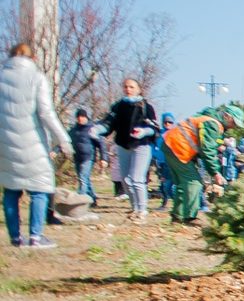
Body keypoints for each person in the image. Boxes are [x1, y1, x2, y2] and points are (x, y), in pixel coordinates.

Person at [0, 42, 71, 249]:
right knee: (39, 189)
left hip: (5, 143)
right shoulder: (37, 78)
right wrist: (63, 139)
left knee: (11, 190)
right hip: (33, 143)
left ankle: (15, 238)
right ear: (33, 58)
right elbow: (46, 113)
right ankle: (35, 237)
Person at [161, 105, 242, 225]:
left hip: (170, 144)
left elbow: (202, 142)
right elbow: (207, 150)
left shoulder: (208, 119)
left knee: (182, 183)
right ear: (226, 116)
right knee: (194, 183)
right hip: (178, 147)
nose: (234, 126)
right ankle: (188, 217)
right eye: (234, 122)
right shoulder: (213, 123)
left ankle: (177, 216)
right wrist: (215, 173)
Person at [96, 78, 161, 220]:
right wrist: (98, 129)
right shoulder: (118, 106)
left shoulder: (146, 107)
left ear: (138, 89)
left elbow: (154, 127)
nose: (128, 89)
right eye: (125, 87)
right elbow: (109, 123)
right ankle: (135, 208)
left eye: (131, 87)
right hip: (123, 145)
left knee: (137, 178)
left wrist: (144, 131)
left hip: (141, 145)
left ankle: (142, 210)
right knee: (125, 180)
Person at [70, 108, 106, 207]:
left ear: (86, 117)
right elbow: (65, 141)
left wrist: (103, 158)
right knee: (85, 179)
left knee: (83, 178)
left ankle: (80, 202)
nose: (80, 119)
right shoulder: (73, 130)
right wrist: (55, 151)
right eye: (78, 117)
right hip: (77, 158)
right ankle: (92, 199)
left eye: (82, 117)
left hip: (88, 157)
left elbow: (101, 144)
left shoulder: (92, 129)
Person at [152, 113, 177, 212]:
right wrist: (154, 157)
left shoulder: (176, 133)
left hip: (171, 163)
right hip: (160, 163)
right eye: (165, 122)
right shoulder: (159, 134)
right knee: (163, 184)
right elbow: (154, 147)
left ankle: (178, 203)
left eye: (170, 122)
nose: (167, 124)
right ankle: (164, 203)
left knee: (169, 185)